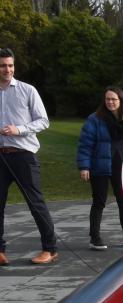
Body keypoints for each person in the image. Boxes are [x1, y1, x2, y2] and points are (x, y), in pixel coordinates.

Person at [0, 48, 56, 265]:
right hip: (1, 157)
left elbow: (43, 121)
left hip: (24, 155)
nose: (7, 69)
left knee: (35, 203)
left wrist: (19, 129)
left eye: (10, 65)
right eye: (3, 65)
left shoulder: (27, 90)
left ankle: (50, 249)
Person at [76, 86, 123, 250]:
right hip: (100, 166)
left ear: (121, 100)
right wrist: (84, 166)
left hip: (122, 166)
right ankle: (95, 238)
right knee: (99, 202)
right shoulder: (95, 119)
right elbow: (85, 144)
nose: (110, 102)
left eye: (114, 99)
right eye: (107, 99)